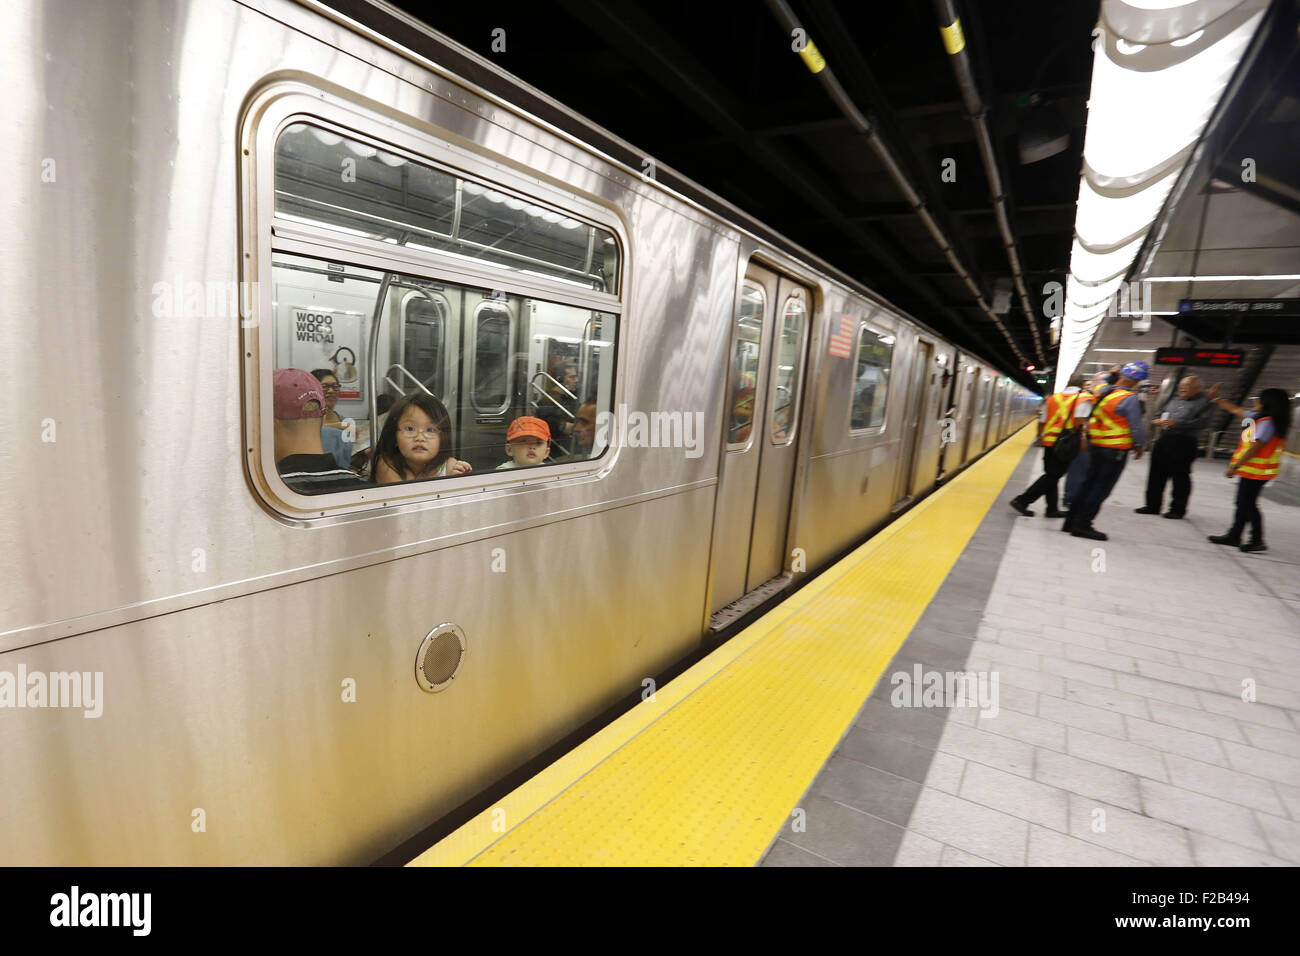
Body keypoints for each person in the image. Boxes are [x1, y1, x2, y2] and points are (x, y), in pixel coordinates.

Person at [1062, 361, 1149, 540]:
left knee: (1087, 484)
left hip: (1096, 446)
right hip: (1115, 451)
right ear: (1138, 381)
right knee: (1100, 489)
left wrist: (1112, 373)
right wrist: (1140, 445)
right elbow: (1136, 427)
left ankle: (1070, 521)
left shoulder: (1102, 391)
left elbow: (1104, 382)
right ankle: (1083, 525)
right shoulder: (1129, 398)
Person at [1206, 386, 1291, 553]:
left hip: (1257, 471)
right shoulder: (1260, 418)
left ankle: (1256, 539)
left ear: (1267, 402)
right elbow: (1236, 410)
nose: (1255, 400)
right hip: (1254, 471)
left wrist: (1235, 467)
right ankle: (1235, 535)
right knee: (1244, 503)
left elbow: (1255, 448)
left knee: (1248, 504)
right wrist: (1216, 399)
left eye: (1259, 398)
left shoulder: (1267, 422)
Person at [272, 368, 370, 494]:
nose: (331, 391)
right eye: (326, 387)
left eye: (335, 387)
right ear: (323, 417)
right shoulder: (361, 490)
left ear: (267, 423)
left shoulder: (271, 492)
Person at [1009, 374, 1090, 518]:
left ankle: (1052, 509)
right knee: (1053, 475)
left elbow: (1042, 420)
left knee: (1052, 474)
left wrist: (1039, 436)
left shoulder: (1053, 398)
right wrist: (1083, 440)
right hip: (1066, 443)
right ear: (1082, 385)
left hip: (1049, 441)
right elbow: (1079, 422)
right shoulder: (1083, 399)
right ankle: (1022, 500)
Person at [1135, 374, 1212, 518]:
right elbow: (1159, 413)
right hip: (1165, 438)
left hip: (1185, 442)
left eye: (1187, 385)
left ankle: (1177, 509)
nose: (1182, 388)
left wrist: (1177, 423)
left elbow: (1203, 423)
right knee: (1156, 474)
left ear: (1198, 388)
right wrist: (1157, 420)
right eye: (1181, 385)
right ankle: (1152, 505)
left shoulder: (1205, 402)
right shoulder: (1173, 399)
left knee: (1180, 475)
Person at [372, 393, 472, 483]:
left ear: (442, 438)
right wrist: (446, 484)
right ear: (394, 435)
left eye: (430, 430)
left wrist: (459, 478)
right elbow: (405, 498)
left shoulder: (449, 465)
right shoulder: (387, 464)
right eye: (410, 428)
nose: (420, 437)